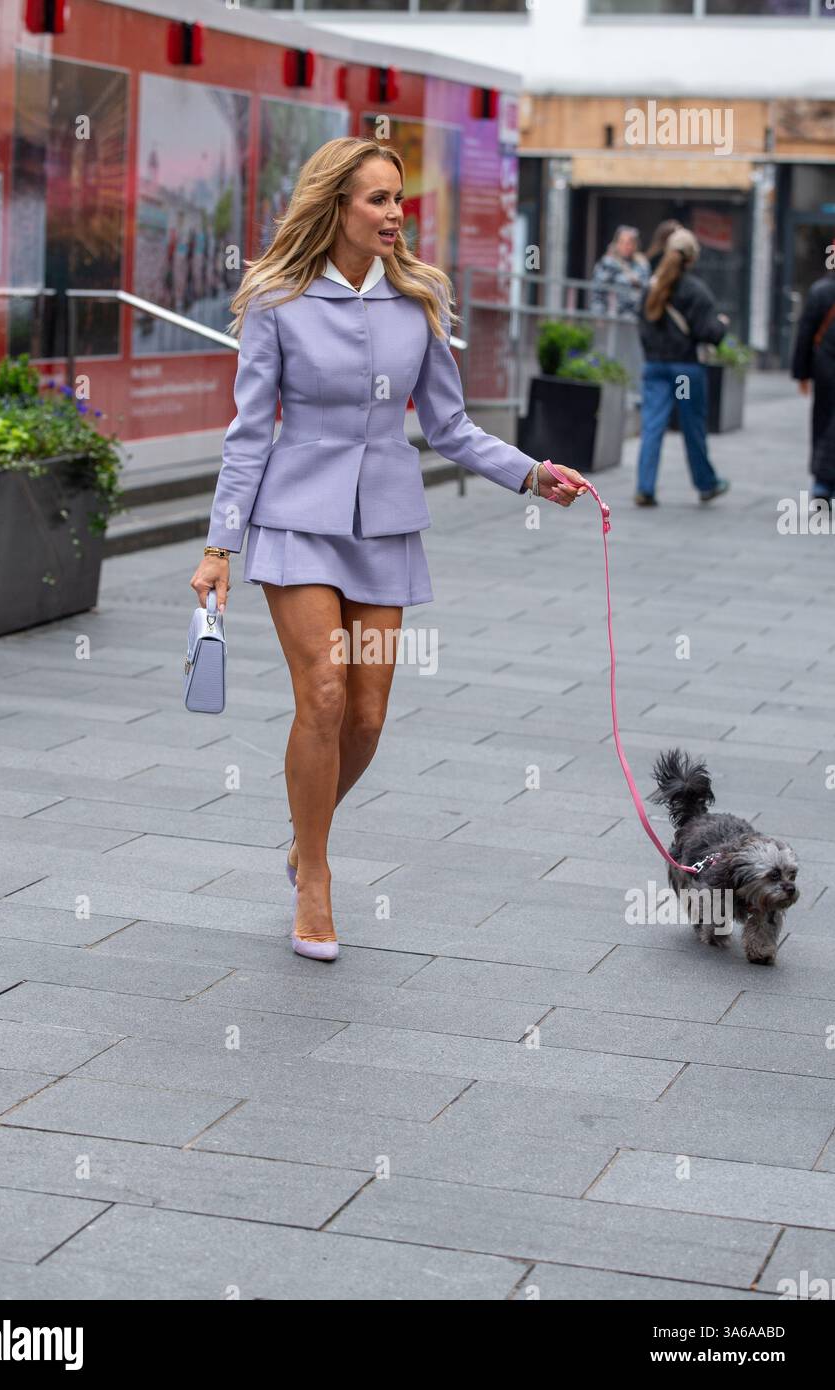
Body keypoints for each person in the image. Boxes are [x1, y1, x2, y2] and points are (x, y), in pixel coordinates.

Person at [189, 137, 587, 961]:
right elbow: (247, 431)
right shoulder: (276, 300)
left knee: (367, 717)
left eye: (399, 200)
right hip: (296, 521)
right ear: (335, 206)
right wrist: (220, 545)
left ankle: (305, 835)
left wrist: (530, 473)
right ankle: (316, 878)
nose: (394, 215)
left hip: (384, 527)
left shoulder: (417, 301)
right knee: (325, 696)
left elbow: (447, 426)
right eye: (377, 199)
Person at [635, 226, 730, 507]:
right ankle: (705, 484)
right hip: (685, 371)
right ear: (691, 259)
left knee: (652, 427)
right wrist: (722, 325)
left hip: (655, 367)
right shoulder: (695, 291)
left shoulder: (651, 288)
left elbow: (642, 328)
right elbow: (709, 333)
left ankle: (645, 487)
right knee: (692, 427)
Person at [791, 263, 835, 504]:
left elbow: (805, 333)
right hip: (825, 365)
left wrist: (802, 373)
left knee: (823, 419)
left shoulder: (820, 291)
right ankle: (825, 481)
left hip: (825, 367)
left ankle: (822, 481)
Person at [590, 226, 650, 320]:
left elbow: (646, 288)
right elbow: (598, 291)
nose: (626, 246)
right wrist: (598, 315)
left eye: (630, 242)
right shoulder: (608, 263)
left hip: (636, 318)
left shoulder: (642, 264)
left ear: (636, 245)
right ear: (616, 243)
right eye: (622, 242)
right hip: (613, 318)